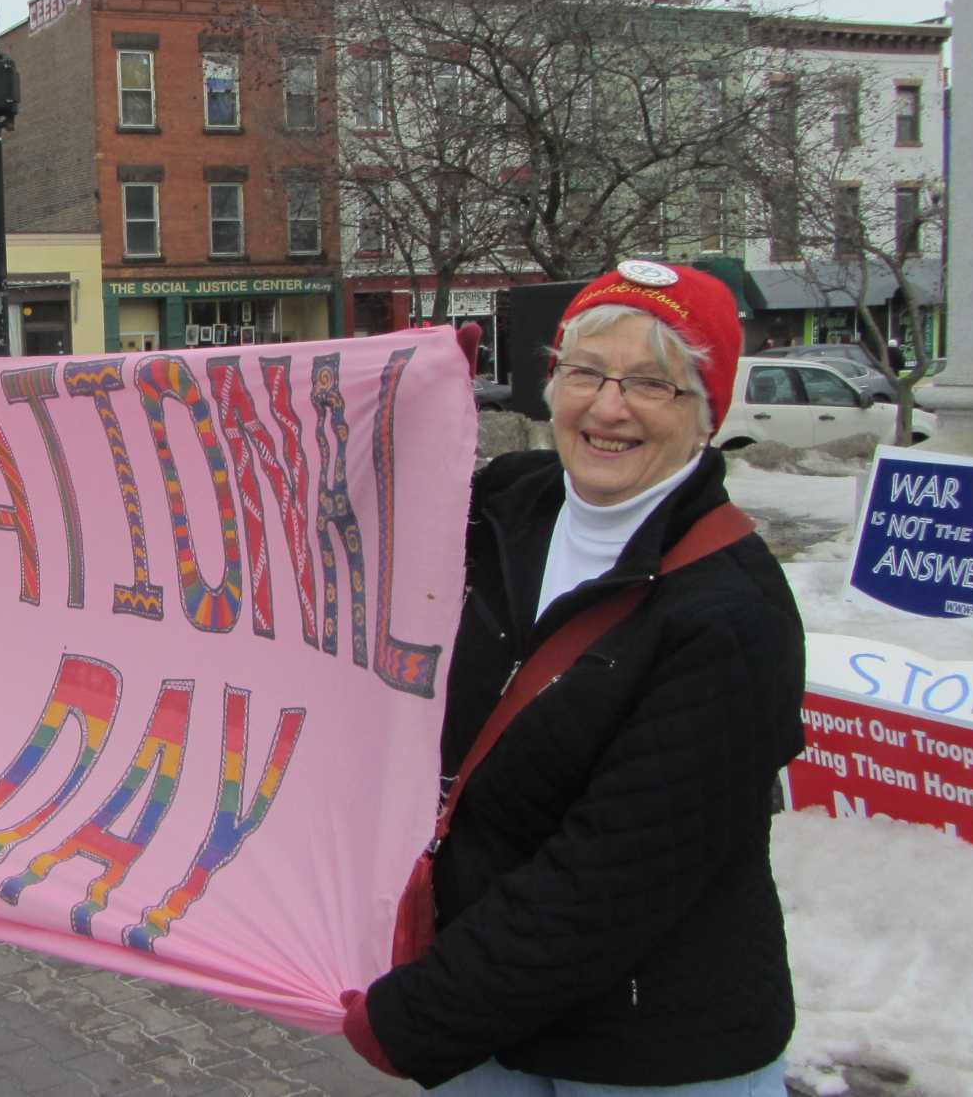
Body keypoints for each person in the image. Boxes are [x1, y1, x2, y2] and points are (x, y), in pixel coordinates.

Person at [342, 262, 803, 1094]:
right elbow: (338, 521)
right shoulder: (504, 503)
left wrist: (422, 1015)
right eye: (584, 372)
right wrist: (407, 395)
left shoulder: (733, 618)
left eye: (653, 384)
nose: (608, 406)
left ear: (707, 415)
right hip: (491, 1024)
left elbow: (610, 880)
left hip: (654, 1050)